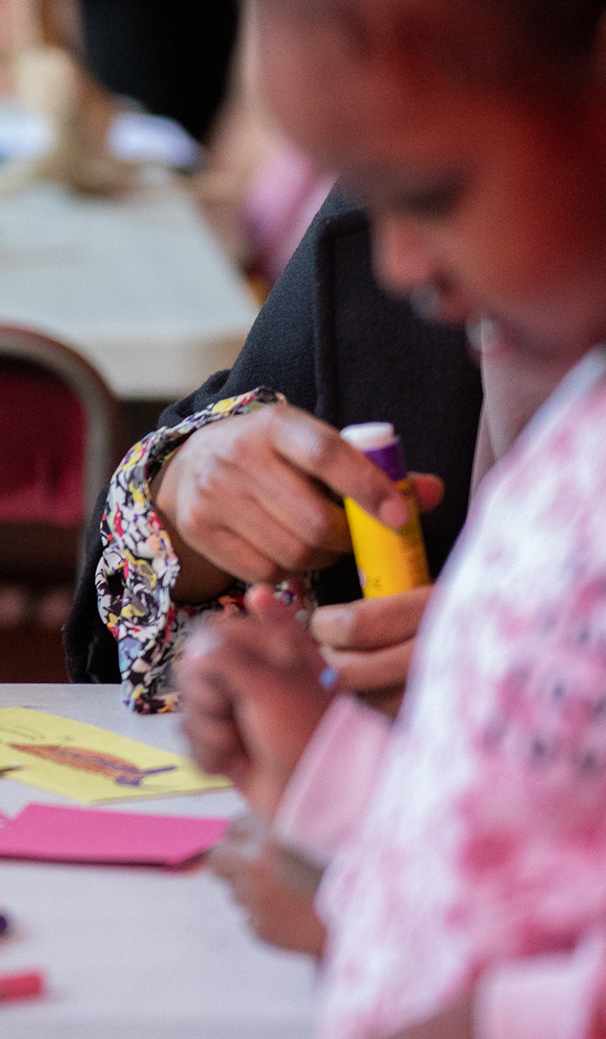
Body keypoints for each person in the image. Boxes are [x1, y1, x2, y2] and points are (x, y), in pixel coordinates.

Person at [176, 0, 606, 1039]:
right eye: (361, 195)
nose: (398, 263)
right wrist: (330, 773)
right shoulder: (593, 429)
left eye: (428, 192)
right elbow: (552, 855)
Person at [66, 187, 484, 715]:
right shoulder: (381, 206)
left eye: (450, 180)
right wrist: (179, 504)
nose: (396, 265)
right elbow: (136, 632)